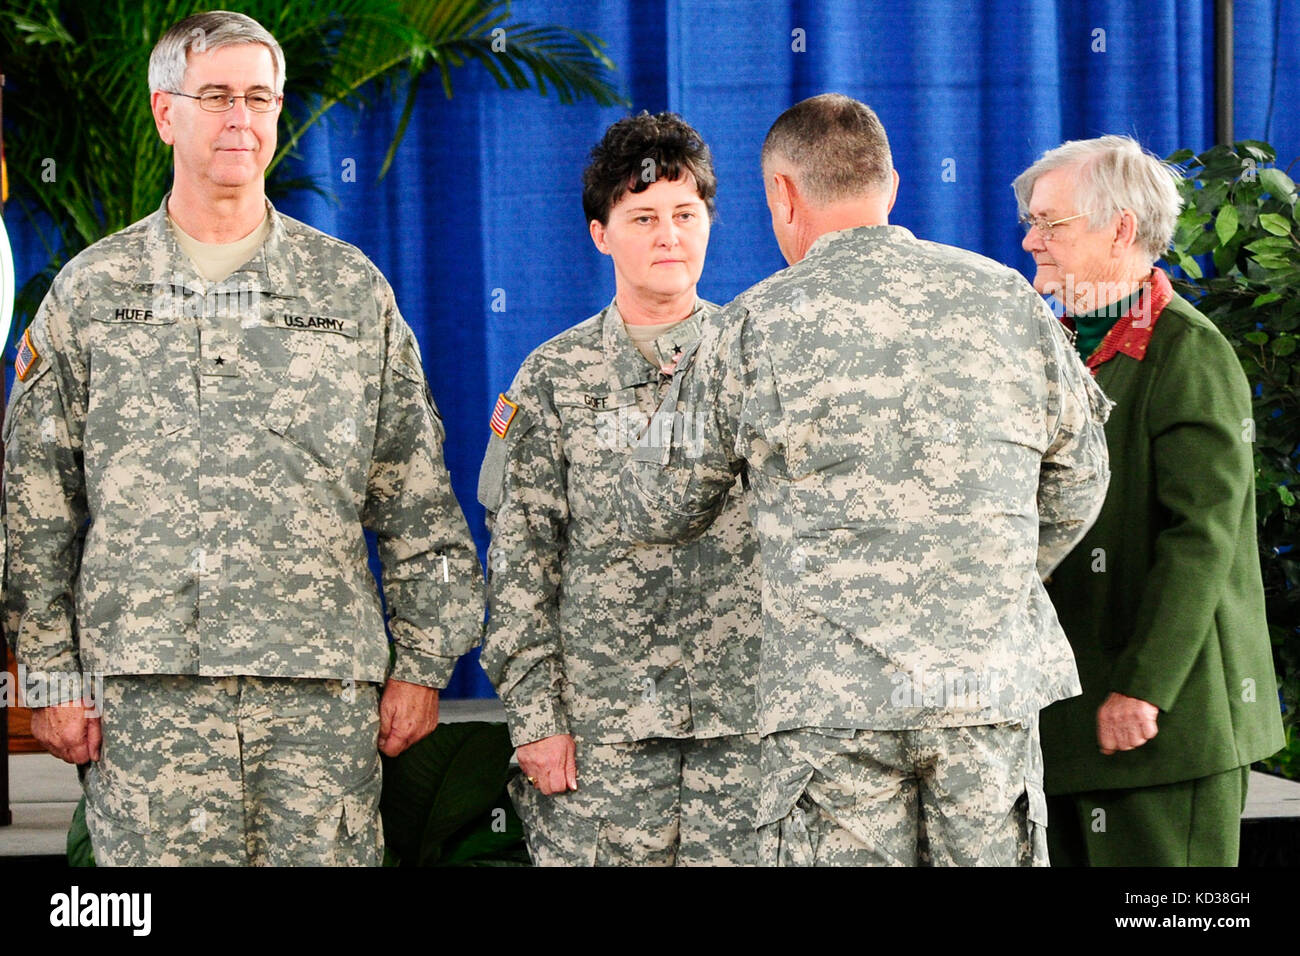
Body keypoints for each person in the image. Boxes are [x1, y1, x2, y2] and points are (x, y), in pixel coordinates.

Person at [2, 10, 484, 866]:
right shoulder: (91, 292)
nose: (240, 118)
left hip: (319, 699)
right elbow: (37, 503)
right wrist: (48, 676)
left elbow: (414, 494)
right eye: (217, 95)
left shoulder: (347, 292)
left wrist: (421, 663)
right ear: (165, 114)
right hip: (144, 702)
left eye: (259, 97)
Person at [617, 93, 1112, 866]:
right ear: (893, 184)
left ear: (783, 194)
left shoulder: (748, 324)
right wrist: (990, 577)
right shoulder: (1009, 302)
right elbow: (1081, 477)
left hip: (831, 707)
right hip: (982, 693)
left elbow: (656, 503)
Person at [478, 112, 762, 866]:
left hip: (745, 727)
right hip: (601, 737)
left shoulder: (760, 358)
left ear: (709, 221)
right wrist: (537, 717)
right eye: (642, 217)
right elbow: (520, 561)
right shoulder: (552, 378)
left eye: (684, 213)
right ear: (602, 233)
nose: (668, 235)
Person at [1013, 135, 1283, 866]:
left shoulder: (1188, 352)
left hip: (1158, 723)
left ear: (1121, 230)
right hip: (1067, 720)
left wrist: (1143, 689)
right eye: (1033, 222)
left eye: (1051, 223)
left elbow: (1202, 539)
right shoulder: (1054, 345)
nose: (1031, 239)